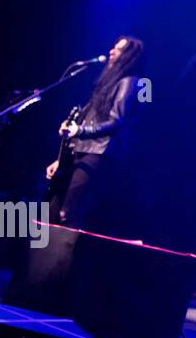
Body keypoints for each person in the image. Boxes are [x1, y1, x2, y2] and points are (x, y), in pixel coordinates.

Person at [44, 36, 144, 228]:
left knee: (68, 213)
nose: (111, 52)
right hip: (79, 150)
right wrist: (62, 157)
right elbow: (90, 115)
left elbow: (117, 122)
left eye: (119, 50)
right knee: (51, 209)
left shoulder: (133, 83)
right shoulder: (108, 82)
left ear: (130, 56)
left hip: (98, 154)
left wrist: (80, 130)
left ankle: (63, 257)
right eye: (113, 47)